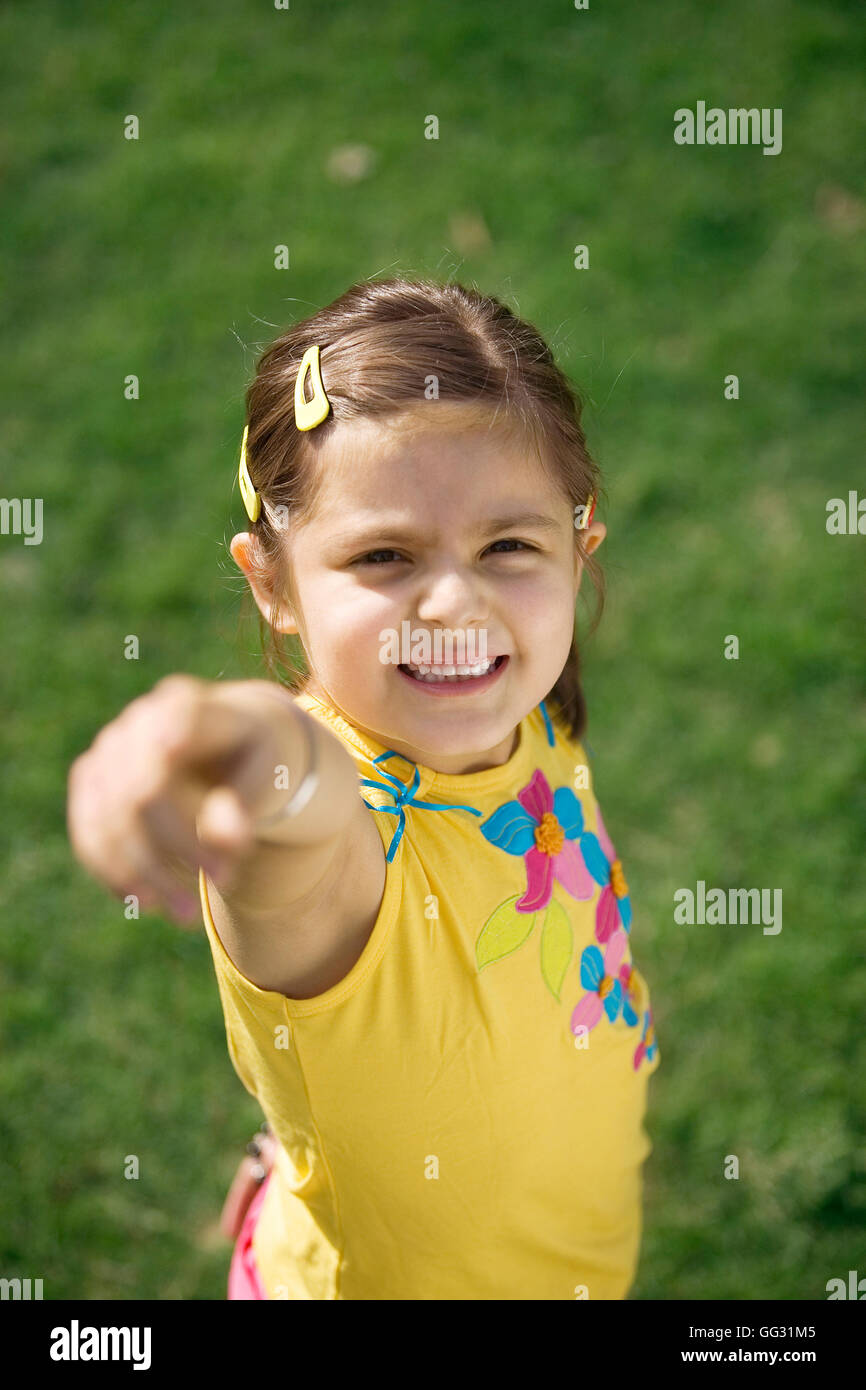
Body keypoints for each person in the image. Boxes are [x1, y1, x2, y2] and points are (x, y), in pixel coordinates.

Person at [67, 277, 660, 1300]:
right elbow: (289, 786)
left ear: (578, 554)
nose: (454, 602)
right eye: (383, 554)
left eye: (507, 546)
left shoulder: (526, 719)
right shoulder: (340, 845)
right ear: (272, 582)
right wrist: (211, 734)